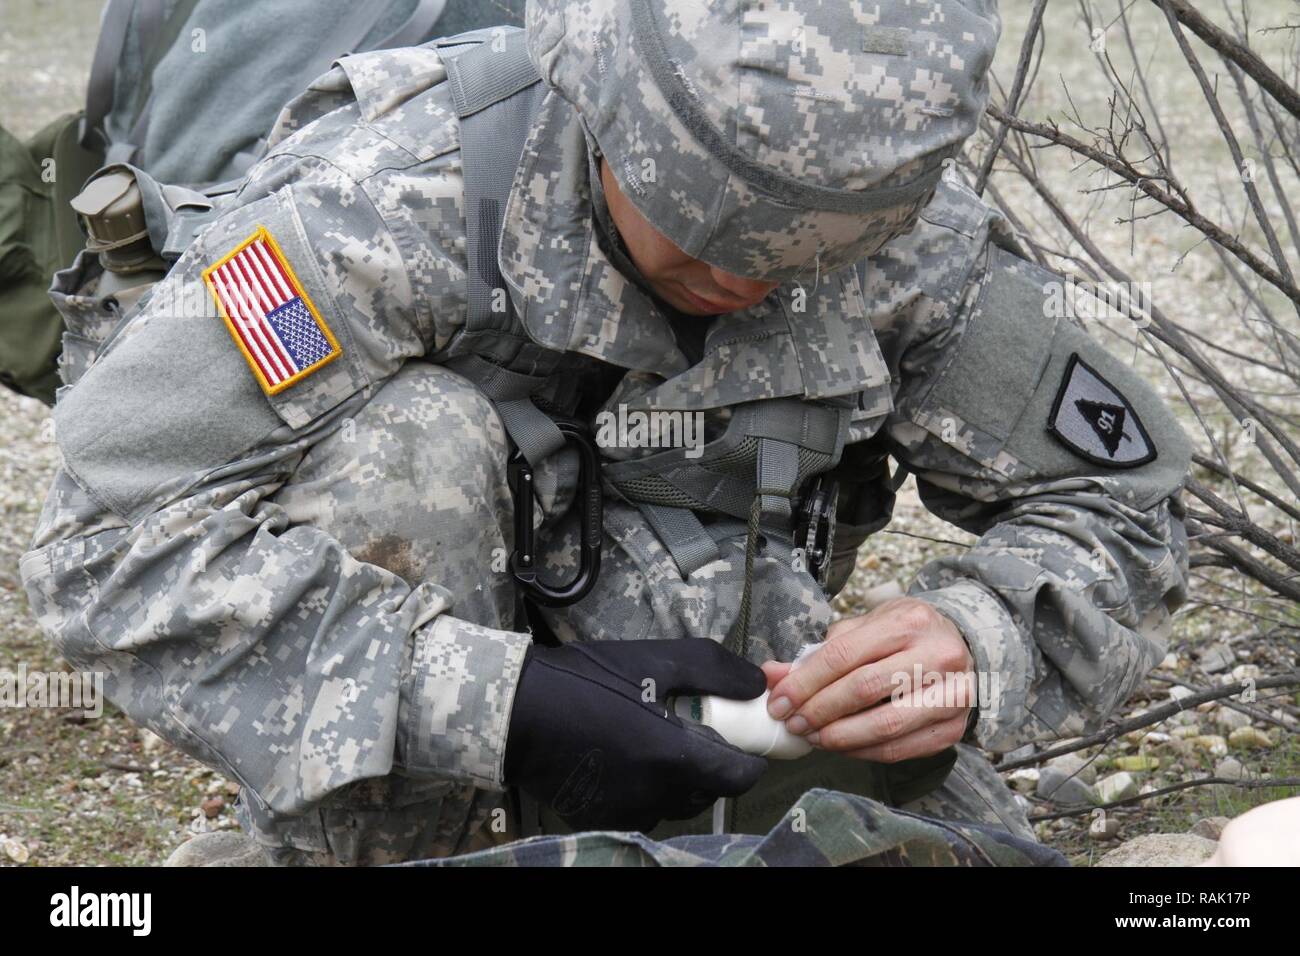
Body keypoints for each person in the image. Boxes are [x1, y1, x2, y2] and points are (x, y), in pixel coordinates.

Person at [21, 0, 1191, 866]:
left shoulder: (901, 231)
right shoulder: (381, 199)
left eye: (808, 251)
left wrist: (973, 631)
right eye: (703, 222)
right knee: (409, 448)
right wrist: (501, 700)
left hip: (726, 691)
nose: (743, 274)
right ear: (604, 111)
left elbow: (1124, 504)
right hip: (408, 727)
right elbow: (100, 546)